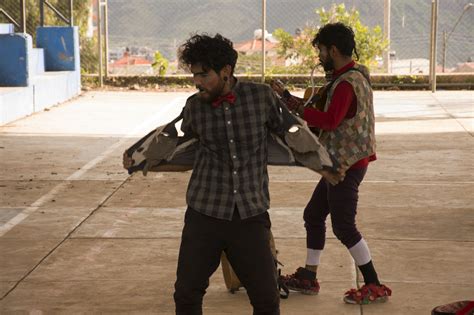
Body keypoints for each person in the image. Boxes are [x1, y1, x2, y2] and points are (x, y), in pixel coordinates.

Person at [164, 33, 285, 315]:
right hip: (204, 214)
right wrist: (145, 160)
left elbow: (290, 137)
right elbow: (185, 149)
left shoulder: (262, 98)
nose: (197, 82)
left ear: (226, 71)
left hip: (249, 215)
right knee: (186, 295)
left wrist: (325, 166)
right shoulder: (194, 108)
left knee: (267, 299)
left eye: (204, 75)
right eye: (194, 75)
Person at [272, 23, 392, 305]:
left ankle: (373, 283)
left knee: (344, 227)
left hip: (346, 165)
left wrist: (298, 109)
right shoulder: (352, 75)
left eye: (322, 50)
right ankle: (309, 276)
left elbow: (330, 121)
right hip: (340, 161)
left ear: (333, 50)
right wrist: (290, 99)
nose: (320, 56)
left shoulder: (346, 84)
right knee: (313, 215)